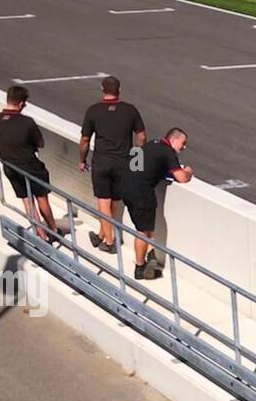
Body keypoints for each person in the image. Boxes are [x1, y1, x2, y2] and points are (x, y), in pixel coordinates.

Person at [78, 76, 145, 254]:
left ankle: (109, 241)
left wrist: (82, 160)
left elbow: (85, 140)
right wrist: (136, 161)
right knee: (114, 200)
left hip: (101, 162)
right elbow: (141, 137)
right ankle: (101, 234)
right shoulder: (130, 110)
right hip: (122, 162)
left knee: (103, 201)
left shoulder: (93, 111)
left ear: (102, 89)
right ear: (119, 90)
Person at [119, 128, 193, 280]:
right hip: (142, 192)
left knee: (146, 226)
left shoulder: (151, 144)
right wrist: (189, 171)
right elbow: (181, 178)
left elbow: (136, 164)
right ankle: (140, 267)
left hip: (126, 187)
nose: (183, 147)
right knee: (143, 231)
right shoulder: (168, 152)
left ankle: (151, 254)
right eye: (183, 143)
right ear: (174, 140)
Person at [0, 85, 59, 242]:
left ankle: (41, 234)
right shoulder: (27, 122)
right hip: (30, 167)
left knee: (27, 201)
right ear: (21, 104)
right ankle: (53, 230)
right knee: (42, 198)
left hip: (9, 166)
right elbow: (40, 143)